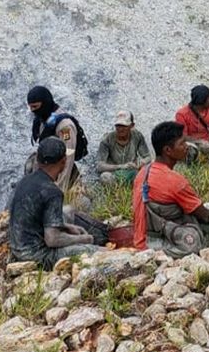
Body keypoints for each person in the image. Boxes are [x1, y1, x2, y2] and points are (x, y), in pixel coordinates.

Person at [132, 121, 209, 257]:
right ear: (168, 150)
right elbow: (206, 217)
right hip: (165, 239)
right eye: (182, 143)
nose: (186, 147)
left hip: (143, 237)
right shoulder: (174, 180)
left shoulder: (143, 173)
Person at [9, 137, 100, 268]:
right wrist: (84, 239)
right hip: (37, 255)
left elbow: (36, 216)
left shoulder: (25, 181)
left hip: (17, 246)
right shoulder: (52, 192)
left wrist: (66, 226)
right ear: (63, 162)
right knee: (96, 251)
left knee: (67, 211)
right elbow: (52, 240)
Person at [26, 85, 88, 193]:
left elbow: (69, 156)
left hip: (63, 171)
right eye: (31, 107)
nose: (32, 111)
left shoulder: (65, 127)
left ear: (44, 103)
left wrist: (59, 190)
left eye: (35, 107)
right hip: (48, 167)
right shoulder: (43, 120)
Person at [95, 111, 152, 185]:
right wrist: (121, 166)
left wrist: (142, 163)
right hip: (113, 174)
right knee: (105, 177)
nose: (120, 129)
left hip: (132, 172)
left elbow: (148, 157)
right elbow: (99, 166)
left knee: (147, 175)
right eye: (118, 125)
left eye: (124, 126)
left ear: (132, 125)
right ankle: (114, 194)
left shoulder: (137, 136)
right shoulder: (107, 140)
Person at [175, 84, 209, 162]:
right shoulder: (182, 114)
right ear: (202, 101)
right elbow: (183, 136)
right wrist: (200, 142)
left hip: (208, 144)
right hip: (192, 144)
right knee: (192, 151)